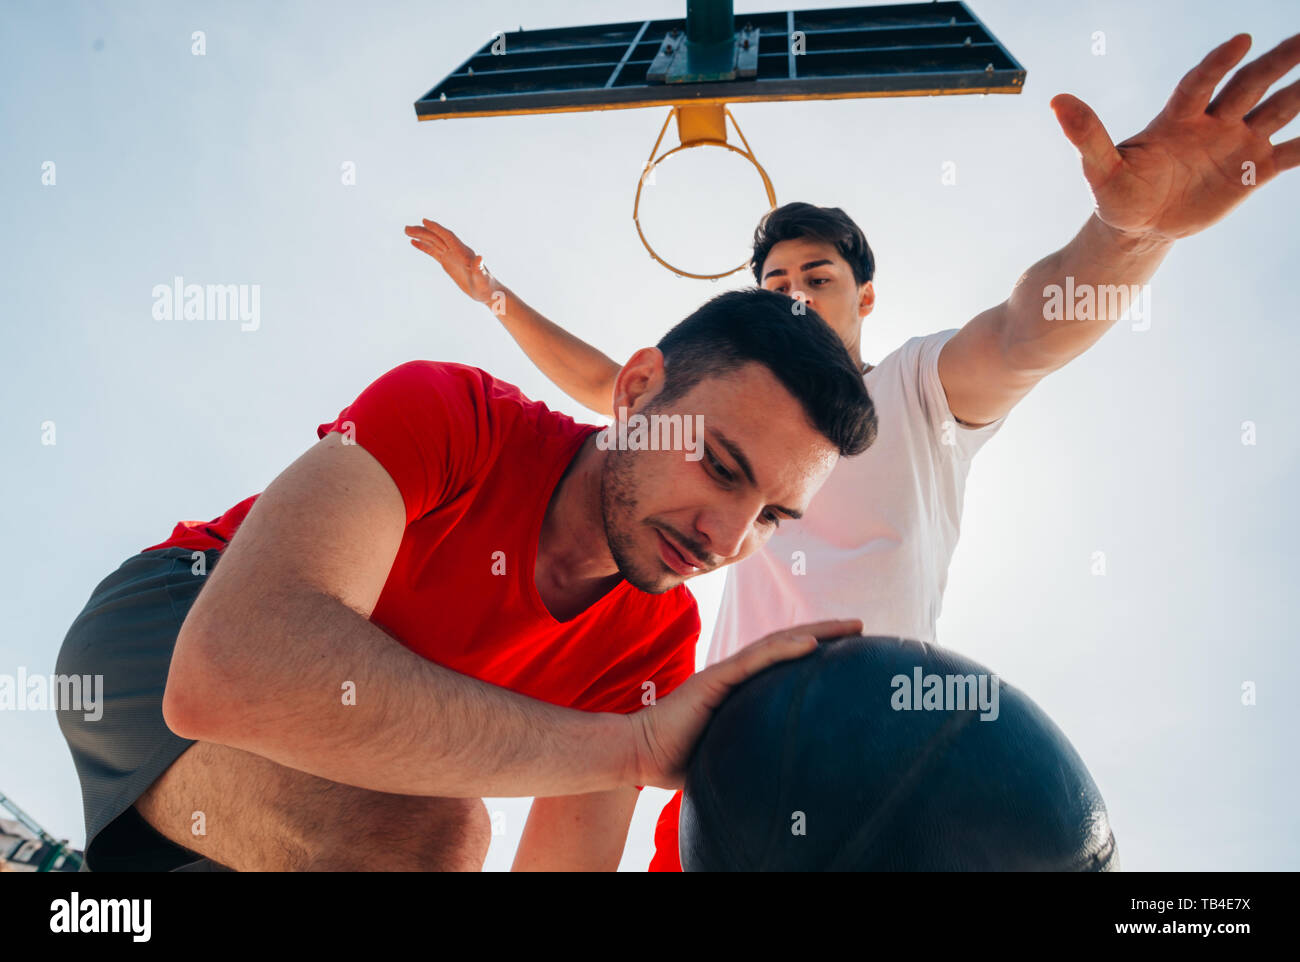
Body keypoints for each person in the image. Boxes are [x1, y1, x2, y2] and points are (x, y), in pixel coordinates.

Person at [405, 31, 1300, 870]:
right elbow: (607, 378)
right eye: (775, 282)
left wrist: (1133, 233)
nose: (793, 293)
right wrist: (494, 296)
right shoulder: (718, 416)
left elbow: (1031, 328)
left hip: (878, 757)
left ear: (865, 299)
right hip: (730, 765)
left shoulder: (915, 387)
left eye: (817, 279)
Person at [53, 289, 877, 871]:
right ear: (635, 391)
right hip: (167, 629)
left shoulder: (653, 648)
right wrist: (629, 749)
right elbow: (232, 669)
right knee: (435, 841)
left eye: (771, 517)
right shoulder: (456, 415)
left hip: (319, 777)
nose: (728, 538)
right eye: (719, 465)